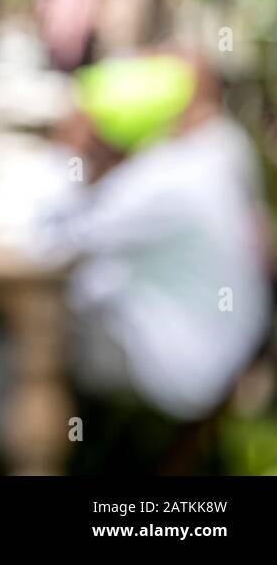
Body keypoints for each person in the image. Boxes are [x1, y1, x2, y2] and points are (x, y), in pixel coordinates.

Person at [34, 52, 272, 470]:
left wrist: (66, 155)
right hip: (228, 348)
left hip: (184, 368)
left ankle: (23, 454)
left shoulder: (166, 178)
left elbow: (52, 243)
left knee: (34, 328)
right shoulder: (215, 150)